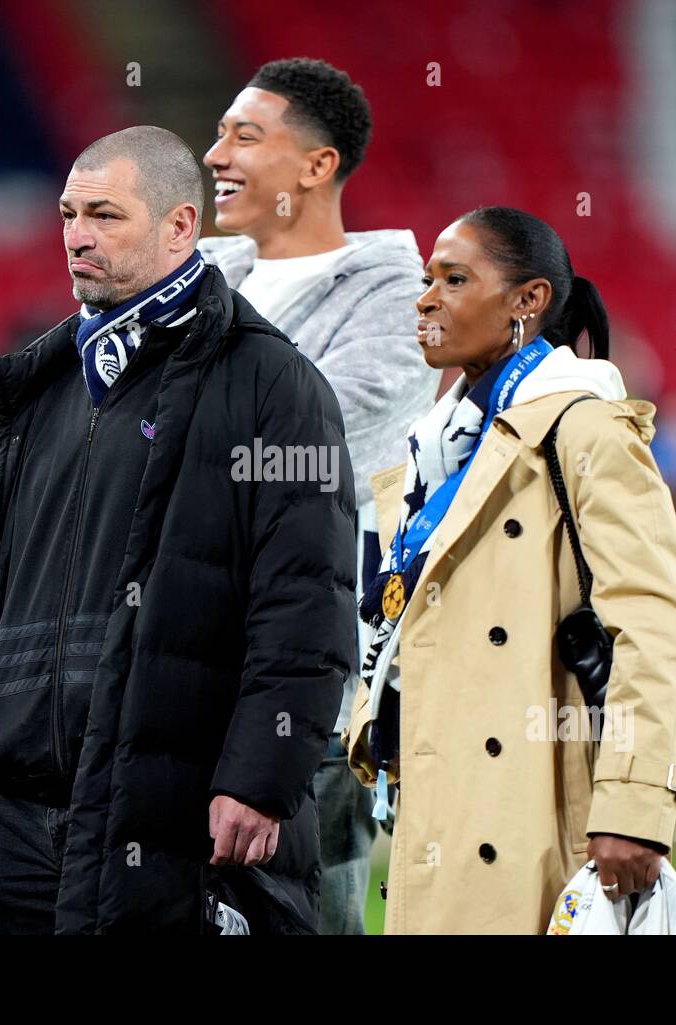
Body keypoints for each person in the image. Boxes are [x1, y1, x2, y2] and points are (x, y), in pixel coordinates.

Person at [0, 126, 357, 935]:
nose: (77, 235)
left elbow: (306, 604)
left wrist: (260, 775)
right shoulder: (33, 392)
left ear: (181, 226)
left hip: (163, 821)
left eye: (105, 215)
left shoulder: (272, 383)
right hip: (4, 825)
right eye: (69, 214)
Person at [342, 207, 676, 933]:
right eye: (425, 280)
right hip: (439, 796)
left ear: (527, 301)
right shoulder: (436, 447)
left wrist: (633, 805)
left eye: (454, 278)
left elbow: (659, 625)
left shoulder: (587, 428)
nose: (425, 298)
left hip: (535, 807)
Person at [198, 57, 436, 934]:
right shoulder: (196, 284)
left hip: (315, 685)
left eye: (244, 135)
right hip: (179, 666)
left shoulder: (398, 307)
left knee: (313, 917)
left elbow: (295, 447)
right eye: (221, 132)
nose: (215, 153)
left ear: (316, 165)